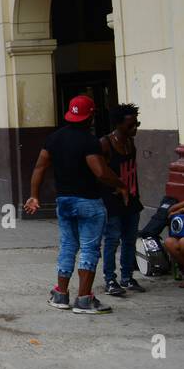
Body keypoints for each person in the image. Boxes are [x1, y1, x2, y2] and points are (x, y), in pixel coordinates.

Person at [24, 95, 129, 314]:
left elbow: (39, 168)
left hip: (64, 201)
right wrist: (120, 185)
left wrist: (34, 195)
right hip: (88, 202)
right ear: (90, 116)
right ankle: (84, 299)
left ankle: (61, 294)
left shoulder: (54, 138)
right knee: (90, 248)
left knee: (68, 246)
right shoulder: (89, 141)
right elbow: (100, 172)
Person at [100, 104, 144, 297]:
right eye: (130, 125)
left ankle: (127, 276)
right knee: (112, 240)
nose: (135, 128)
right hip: (113, 201)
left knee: (129, 240)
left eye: (137, 124)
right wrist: (116, 188)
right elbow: (99, 173)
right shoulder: (105, 144)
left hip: (132, 199)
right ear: (118, 124)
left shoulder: (130, 143)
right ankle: (110, 278)